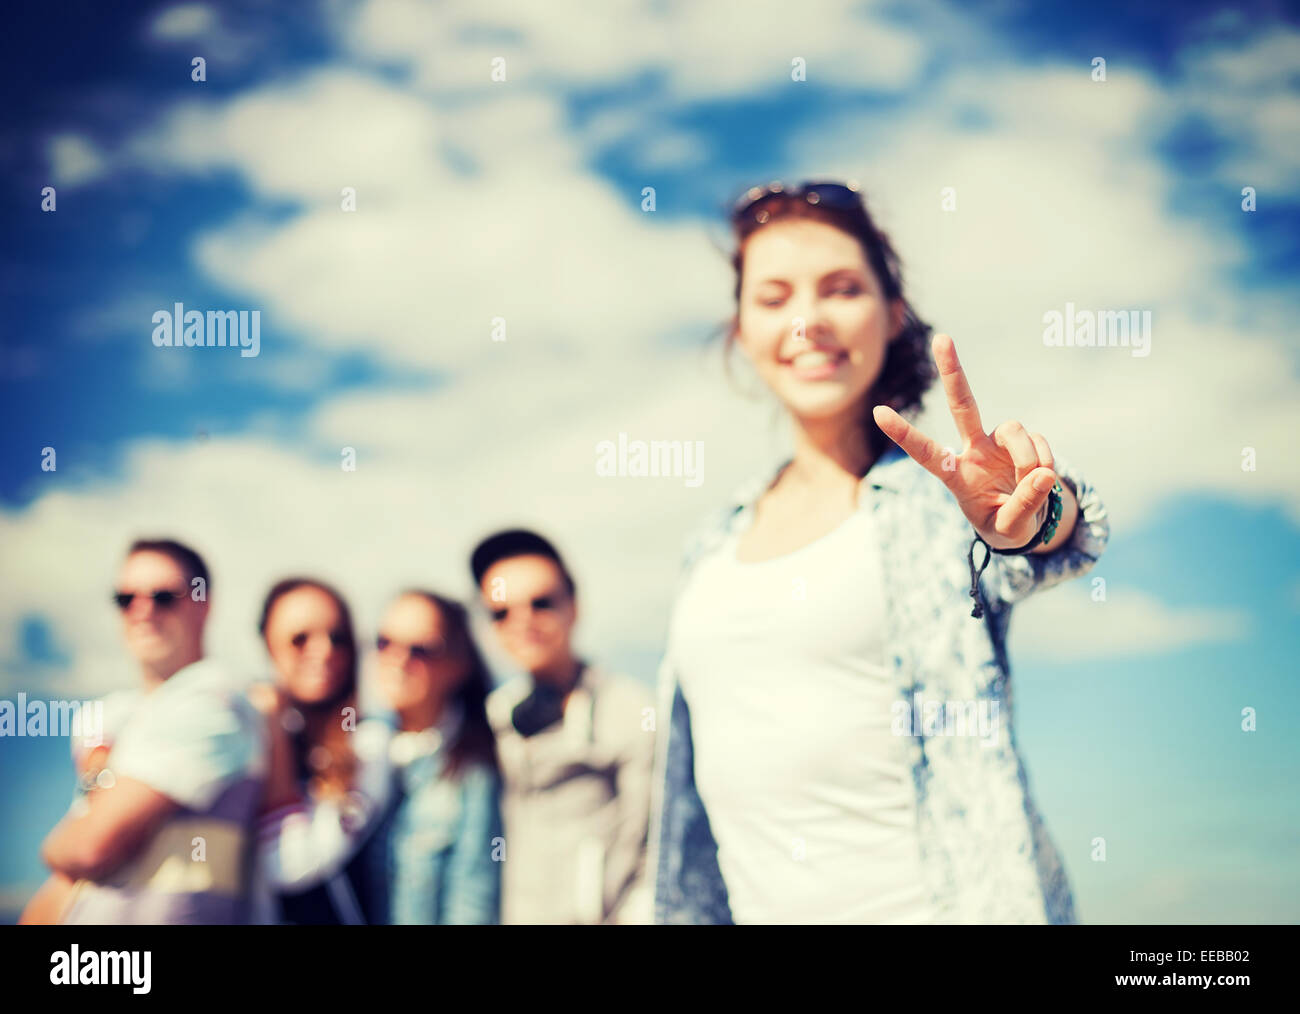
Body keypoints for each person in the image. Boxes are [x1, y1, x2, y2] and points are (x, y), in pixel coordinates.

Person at [649, 180, 1111, 925]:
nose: (807, 321)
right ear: (740, 327)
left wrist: (1033, 513)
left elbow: (1053, 540)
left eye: (841, 290)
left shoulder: (937, 501)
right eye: (773, 298)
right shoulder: (711, 545)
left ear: (893, 315)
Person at [24, 538, 265, 924]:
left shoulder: (213, 704)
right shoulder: (120, 713)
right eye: (126, 599)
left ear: (204, 604)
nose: (143, 611)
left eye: (164, 597)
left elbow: (87, 848)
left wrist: (53, 846)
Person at [471, 529, 655, 924]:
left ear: (574, 606)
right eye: (501, 612)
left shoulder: (630, 710)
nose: (523, 622)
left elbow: (649, 849)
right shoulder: (492, 716)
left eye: (541, 603)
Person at [352, 590, 502, 924]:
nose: (398, 658)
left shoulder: (471, 775)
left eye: (421, 650)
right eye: (384, 642)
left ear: (457, 666)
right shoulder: (357, 756)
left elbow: (471, 905)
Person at [249, 578, 391, 924]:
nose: (324, 650)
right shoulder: (245, 727)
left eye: (337, 638)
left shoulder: (370, 743)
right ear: (269, 645)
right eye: (300, 639)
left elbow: (290, 866)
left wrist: (273, 733)